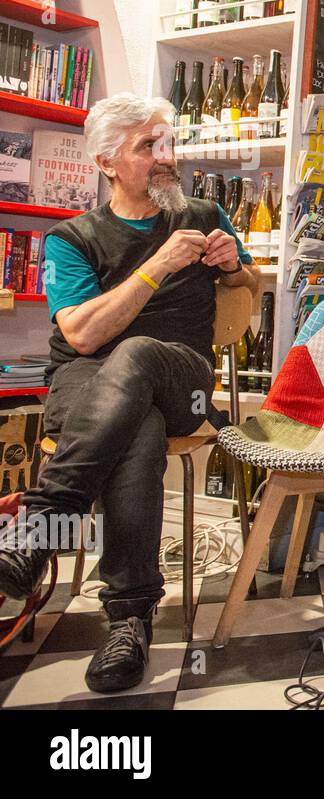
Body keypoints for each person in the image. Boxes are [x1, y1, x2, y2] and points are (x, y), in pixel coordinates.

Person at [0, 92, 257, 693]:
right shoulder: (71, 238)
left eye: (168, 142)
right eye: (149, 146)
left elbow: (251, 283)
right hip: (89, 380)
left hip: (180, 376)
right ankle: (130, 618)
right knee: (134, 424)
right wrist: (157, 268)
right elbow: (84, 335)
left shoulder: (203, 213)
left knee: (138, 356)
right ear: (107, 162)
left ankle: (43, 523)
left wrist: (233, 266)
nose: (166, 156)